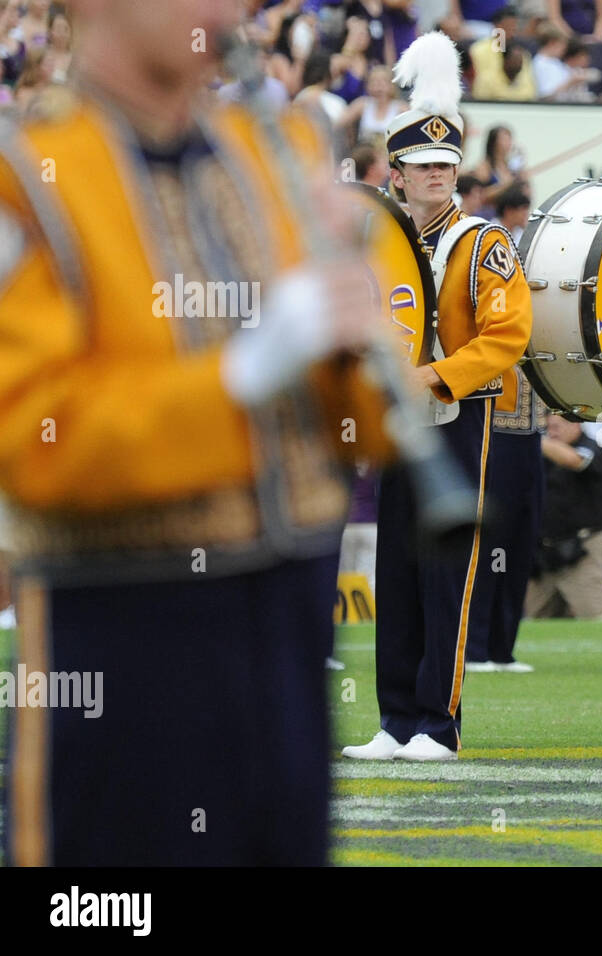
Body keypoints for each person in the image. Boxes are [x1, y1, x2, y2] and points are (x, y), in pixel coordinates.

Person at [0, 0, 399, 865]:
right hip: (126, 635)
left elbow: (364, 427)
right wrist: (238, 379)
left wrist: (360, 332)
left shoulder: (277, 152)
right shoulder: (28, 174)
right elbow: (34, 439)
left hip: (291, 623)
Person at [343, 30, 532, 763]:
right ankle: (394, 720)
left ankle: (437, 723)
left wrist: (438, 373)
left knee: (445, 569)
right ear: (396, 172)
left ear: (458, 170)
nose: (433, 174)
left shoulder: (481, 244)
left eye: (445, 164)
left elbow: (507, 335)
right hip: (398, 419)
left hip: (459, 414)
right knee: (396, 564)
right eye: (421, 164)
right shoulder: (381, 240)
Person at [464, 367, 545, 672]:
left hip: (531, 435)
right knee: (489, 545)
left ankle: (502, 648)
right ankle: (474, 647)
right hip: (494, 429)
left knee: (521, 544)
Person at [524, 414, 602, 620]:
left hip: (582, 549)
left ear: (575, 423)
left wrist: (531, 438)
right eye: (549, 427)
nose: (553, 432)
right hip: (544, 552)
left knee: (596, 618)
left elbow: (573, 460)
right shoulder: (542, 456)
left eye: (557, 426)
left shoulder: (592, 448)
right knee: (536, 623)